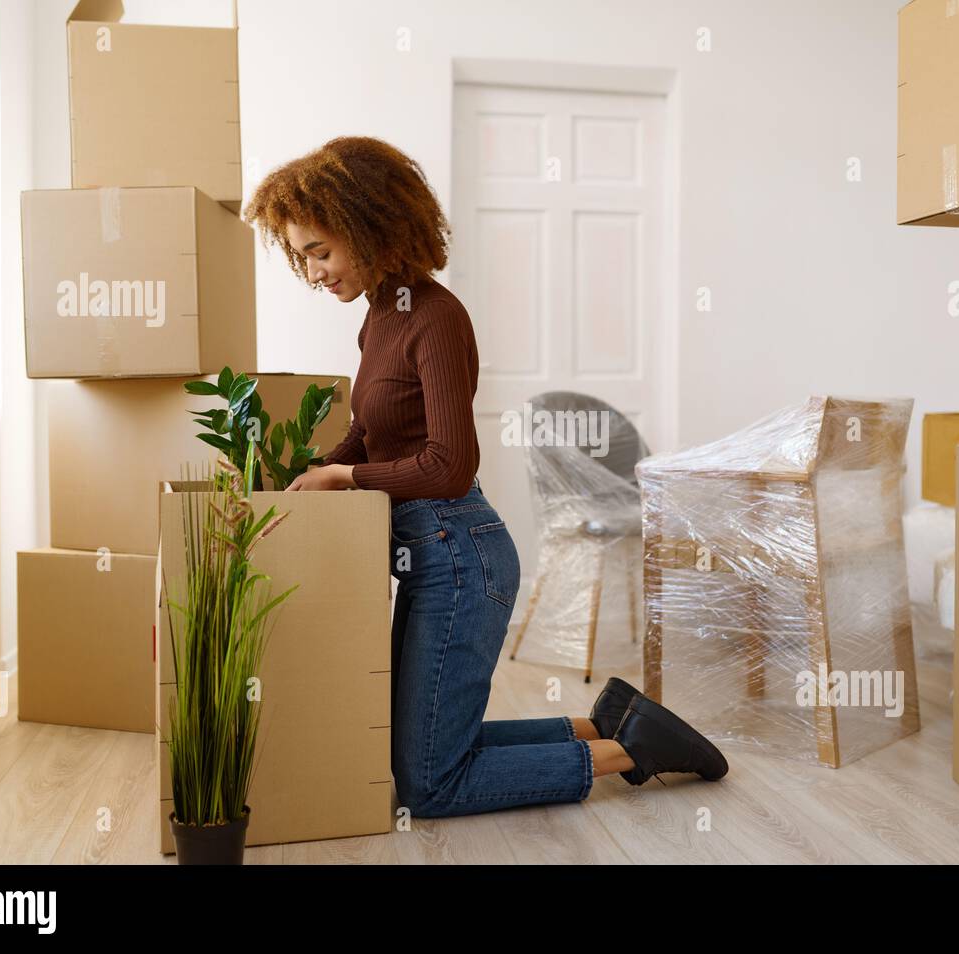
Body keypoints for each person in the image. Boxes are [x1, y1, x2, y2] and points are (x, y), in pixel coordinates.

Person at [243, 136, 727, 818]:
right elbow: (370, 432)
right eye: (302, 257)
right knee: (415, 746)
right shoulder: (379, 319)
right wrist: (312, 470)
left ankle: (633, 748)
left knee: (429, 785)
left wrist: (346, 476)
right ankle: (604, 722)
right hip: (430, 557)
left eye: (320, 251)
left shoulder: (436, 317)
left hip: (461, 558)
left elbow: (449, 465)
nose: (313, 271)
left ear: (368, 226)